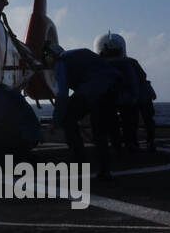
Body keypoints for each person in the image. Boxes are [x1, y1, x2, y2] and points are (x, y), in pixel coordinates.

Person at [49, 44, 121, 181]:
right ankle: (105, 169)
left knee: (68, 118)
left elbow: (62, 94)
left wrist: (55, 121)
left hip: (94, 89)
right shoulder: (78, 54)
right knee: (100, 129)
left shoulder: (61, 62)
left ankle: (79, 159)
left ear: (51, 55)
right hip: (113, 87)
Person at [96, 32, 158, 152]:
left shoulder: (110, 64)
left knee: (129, 121)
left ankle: (131, 143)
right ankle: (149, 142)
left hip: (129, 97)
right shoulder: (130, 62)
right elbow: (141, 76)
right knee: (146, 120)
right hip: (142, 95)